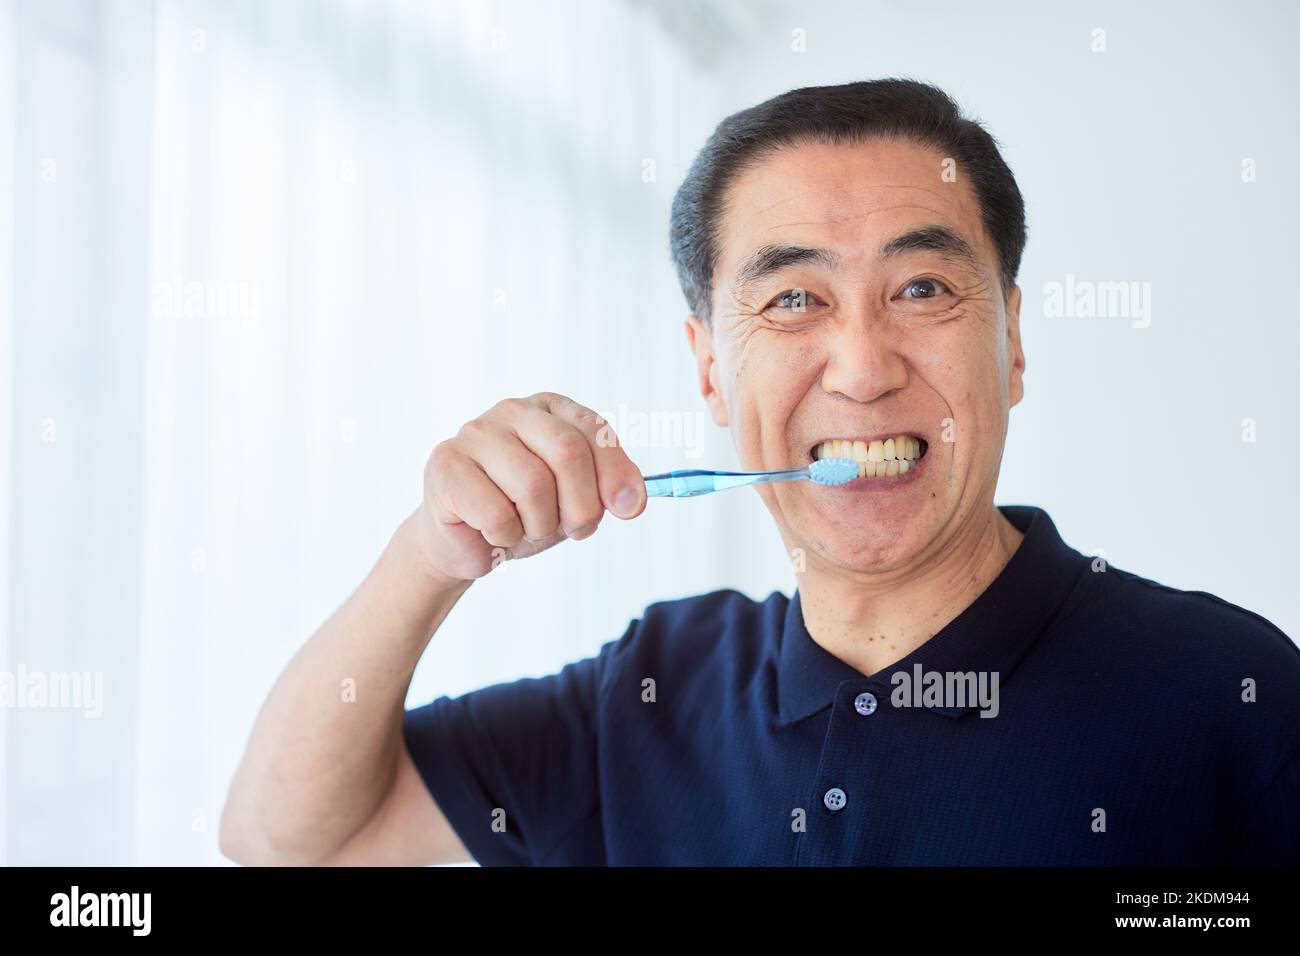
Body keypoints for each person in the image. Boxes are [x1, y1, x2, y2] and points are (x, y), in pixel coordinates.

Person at [220, 79, 1299, 866]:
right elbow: (292, 842)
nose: (865, 367)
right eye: (794, 299)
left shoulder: (1230, 692)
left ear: (1012, 342)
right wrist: (432, 552)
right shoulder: (646, 697)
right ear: (708, 367)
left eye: (922, 289)